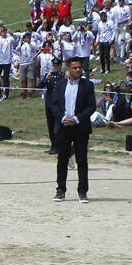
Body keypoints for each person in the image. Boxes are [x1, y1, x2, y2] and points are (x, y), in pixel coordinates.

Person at [48, 57, 96, 202]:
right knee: (62, 159)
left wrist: (76, 118)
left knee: (81, 160)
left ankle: (82, 191)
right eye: (75, 68)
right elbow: (54, 105)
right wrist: (62, 118)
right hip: (63, 127)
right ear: (68, 69)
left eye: (80, 67)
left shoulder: (87, 85)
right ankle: (60, 190)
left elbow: (91, 106)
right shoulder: (60, 84)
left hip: (80, 127)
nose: (78, 70)